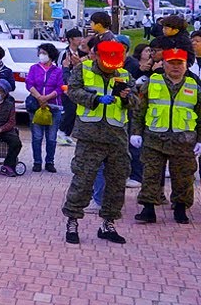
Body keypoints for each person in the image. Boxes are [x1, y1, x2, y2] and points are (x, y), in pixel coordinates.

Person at [62, 39, 133, 245]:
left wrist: (127, 97)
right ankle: (72, 221)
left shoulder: (125, 74)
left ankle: (108, 224)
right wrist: (95, 99)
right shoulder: (83, 69)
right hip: (89, 136)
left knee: (117, 182)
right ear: (97, 56)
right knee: (83, 180)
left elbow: (135, 103)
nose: (112, 69)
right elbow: (73, 92)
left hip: (117, 137)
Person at [130, 48, 200, 225]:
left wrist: (200, 139)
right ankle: (148, 209)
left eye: (179, 63)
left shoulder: (194, 86)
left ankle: (180, 209)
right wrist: (135, 133)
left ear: (186, 65)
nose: (175, 67)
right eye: (171, 63)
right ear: (164, 64)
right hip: (154, 139)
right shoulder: (152, 82)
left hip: (184, 141)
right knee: (151, 174)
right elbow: (140, 110)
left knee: (184, 176)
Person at [27, 42, 64, 173]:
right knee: (37, 136)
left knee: (52, 137)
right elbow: (29, 84)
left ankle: (50, 162)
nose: (41, 56)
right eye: (40, 53)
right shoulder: (34, 68)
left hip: (53, 106)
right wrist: (39, 98)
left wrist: (47, 98)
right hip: (36, 106)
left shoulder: (58, 71)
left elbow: (60, 87)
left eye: (44, 53)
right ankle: (37, 162)